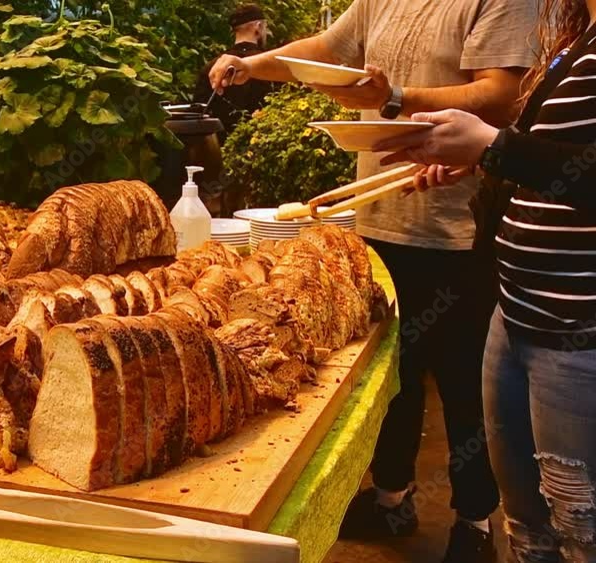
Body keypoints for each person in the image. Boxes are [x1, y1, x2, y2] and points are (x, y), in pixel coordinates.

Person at [209, 0, 538, 560]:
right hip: (382, 220)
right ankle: (391, 498)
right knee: (391, 376)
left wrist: (394, 100)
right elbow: (326, 53)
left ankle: (476, 522)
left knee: (462, 384)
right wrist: (253, 62)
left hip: (457, 226)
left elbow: (502, 93)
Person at [374, 0, 596, 559]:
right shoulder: (586, 29)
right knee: (529, 530)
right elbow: (565, 158)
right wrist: (485, 160)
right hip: (517, 320)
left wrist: (497, 146)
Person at [193, 4, 276, 141]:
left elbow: (199, 113)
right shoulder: (271, 67)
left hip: (220, 148)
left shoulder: (212, 68)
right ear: (258, 26)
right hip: (263, 146)